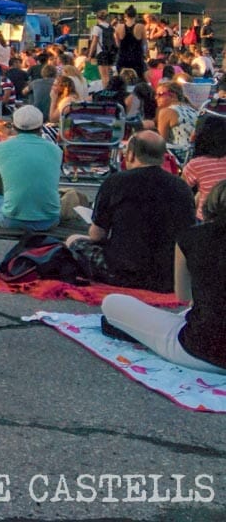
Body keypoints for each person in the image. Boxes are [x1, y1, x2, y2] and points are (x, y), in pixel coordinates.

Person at [100, 178, 226, 373]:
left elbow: (184, 297)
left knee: (113, 303)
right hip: (208, 341)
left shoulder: (191, 237)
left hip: (200, 351)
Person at [65, 132, 196, 292]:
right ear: (163, 156)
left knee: (74, 240)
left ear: (132, 155)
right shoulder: (181, 187)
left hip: (122, 272)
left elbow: (97, 235)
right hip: (168, 274)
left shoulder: (115, 181)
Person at [0, 105, 61, 231]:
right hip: (50, 221)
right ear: (41, 127)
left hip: (12, 220)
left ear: (14, 126)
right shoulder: (56, 150)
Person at [155, 81, 198, 161]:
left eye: (160, 94)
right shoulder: (192, 108)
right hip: (197, 153)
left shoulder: (167, 111)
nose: (156, 97)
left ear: (173, 95)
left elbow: (161, 142)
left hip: (181, 155)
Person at [114, 6, 146, 79]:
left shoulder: (118, 27)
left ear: (125, 15)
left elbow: (117, 44)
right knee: (138, 78)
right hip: (137, 56)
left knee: (122, 78)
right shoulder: (141, 27)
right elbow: (144, 43)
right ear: (136, 15)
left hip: (123, 56)